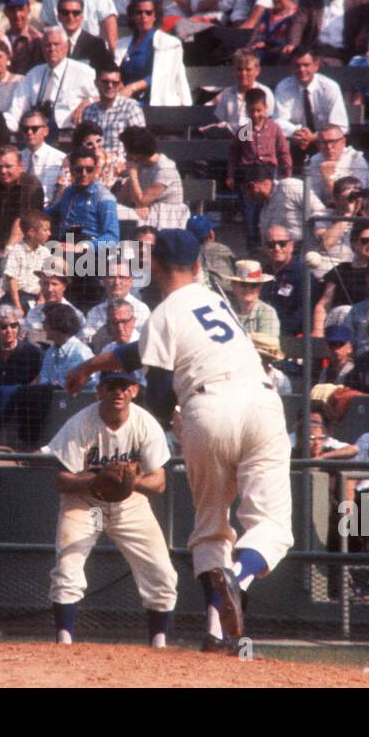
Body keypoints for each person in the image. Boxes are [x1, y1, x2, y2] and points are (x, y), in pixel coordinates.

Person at [66, 229, 292, 654]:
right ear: (198, 266)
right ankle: (228, 608)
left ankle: (219, 614)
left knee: (211, 531)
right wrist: (98, 361)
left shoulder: (162, 313)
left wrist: (170, 419)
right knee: (271, 526)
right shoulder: (216, 301)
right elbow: (138, 353)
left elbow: (157, 380)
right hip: (261, 402)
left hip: (207, 408)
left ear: (153, 265)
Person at [43, 369, 176, 647]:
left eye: (125, 386)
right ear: (99, 390)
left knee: (161, 573)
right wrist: (96, 479)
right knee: (67, 569)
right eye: (111, 385)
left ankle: (159, 644)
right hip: (86, 502)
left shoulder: (145, 423)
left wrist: (130, 483)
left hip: (130, 504)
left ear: (135, 390)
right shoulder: (81, 423)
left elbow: (159, 482)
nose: (118, 392)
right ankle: (63, 643)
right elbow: (60, 479)